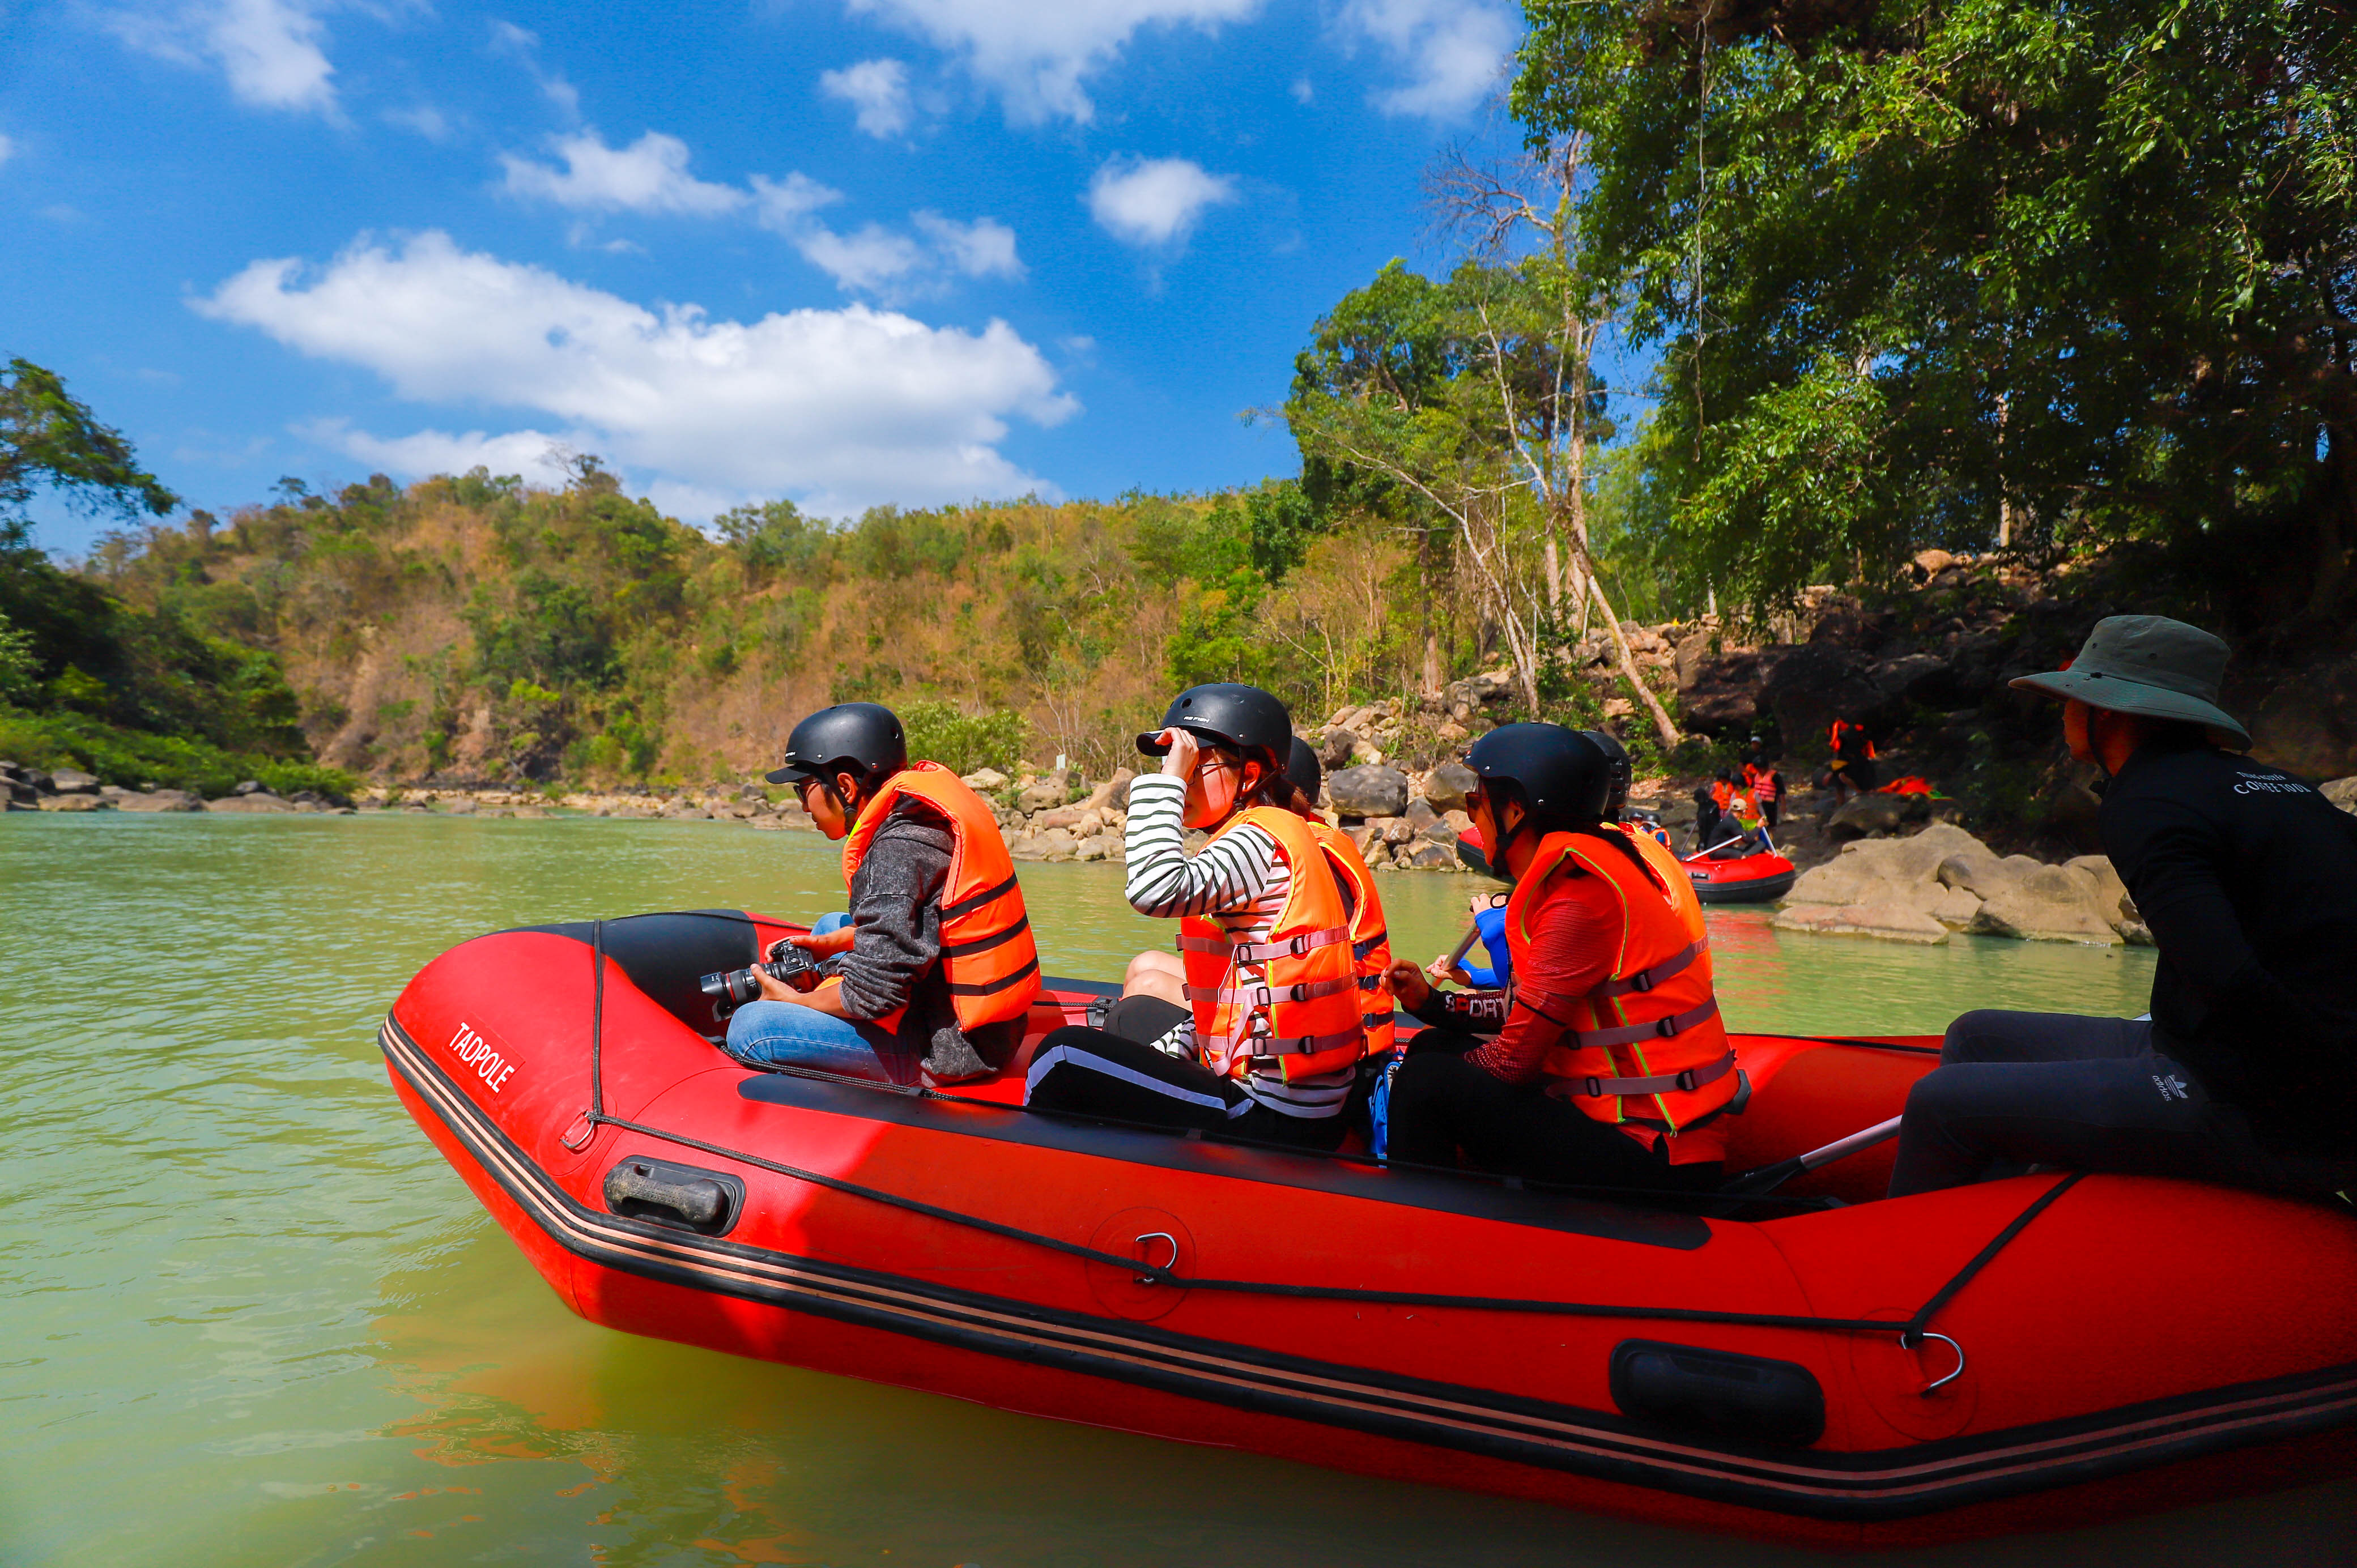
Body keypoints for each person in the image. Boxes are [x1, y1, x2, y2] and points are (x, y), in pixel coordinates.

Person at [1886, 616, 2357, 1200]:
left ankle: (1904, 1282)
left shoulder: (2146, 800)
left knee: (1937, 1102)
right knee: (1974, 1034)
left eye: (2069, 698)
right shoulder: (2279, 789)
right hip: (2204, 1048)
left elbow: (2227, 977)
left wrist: (2324, 1095)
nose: (2061, 713)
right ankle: (1993, 1227)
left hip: (2254, 1102)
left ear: (2105, 709)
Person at [1383, 725, 1736, 1192]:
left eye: (1476, 805)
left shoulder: (1579, 899)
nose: (1473, 823)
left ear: (1516, 811)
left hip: (1653, 1148)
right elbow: (1527, 1013)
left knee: (1427, 1081)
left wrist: (1445, 1085)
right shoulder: (1593, 869)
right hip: (1633, 1126)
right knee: (1432, 1048)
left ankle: (1418, 1230)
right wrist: (1435, 1005)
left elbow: (1514, 1062)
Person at [1024, 684, 1371, 1148]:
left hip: (1272, 1113)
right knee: (1132, 1021)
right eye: (1175, 765)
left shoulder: (1258, 842)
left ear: (1249, 775)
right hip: (1285, 1098)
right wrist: (1166, 1054)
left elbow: (1151, 889)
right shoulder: (1264, 832)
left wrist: (1167, 781)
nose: (1183, 779)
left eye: (1194, 764)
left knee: (1060, 1055)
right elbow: (1234, 991)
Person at [722, 702, 1041, 1086]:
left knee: (749, 1027)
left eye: (803, 789)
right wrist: (827, 945)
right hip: (983, 1026)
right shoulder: (920, 813)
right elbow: (924, 921)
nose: (803, 805)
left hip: (947, 1048)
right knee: (831, 924)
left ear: (845, 786)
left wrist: (797, 1002)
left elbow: (873, 996)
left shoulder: (896, 851)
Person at [1283, 736, 1397, 1057]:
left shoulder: (1307, 855)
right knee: (1147, 968)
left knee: (1148, 977)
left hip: (1338, 1040)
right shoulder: (1318, 842)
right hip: (1336, 1023)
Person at [1824, 718, 1878, 813]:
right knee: (1838, 778)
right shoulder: (1845, 738)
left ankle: (1861, 792)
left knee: (1841, 776)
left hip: (1861, 768)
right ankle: (1840, 807)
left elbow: (1855, 758)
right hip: (1855, 766)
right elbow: (1842, 759)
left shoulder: (1852, 738)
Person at [1741, 738, 1785, 830]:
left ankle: (1771, 840)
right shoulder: (1756, 776)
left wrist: (1783, 805)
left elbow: (1781, 791)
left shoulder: (1775, 776)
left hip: (1770, 804)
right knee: (1759, 823)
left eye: (1760, 769)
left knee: (1770, 824)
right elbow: (1752, 789)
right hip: (1758, 803)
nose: (1759, 771)